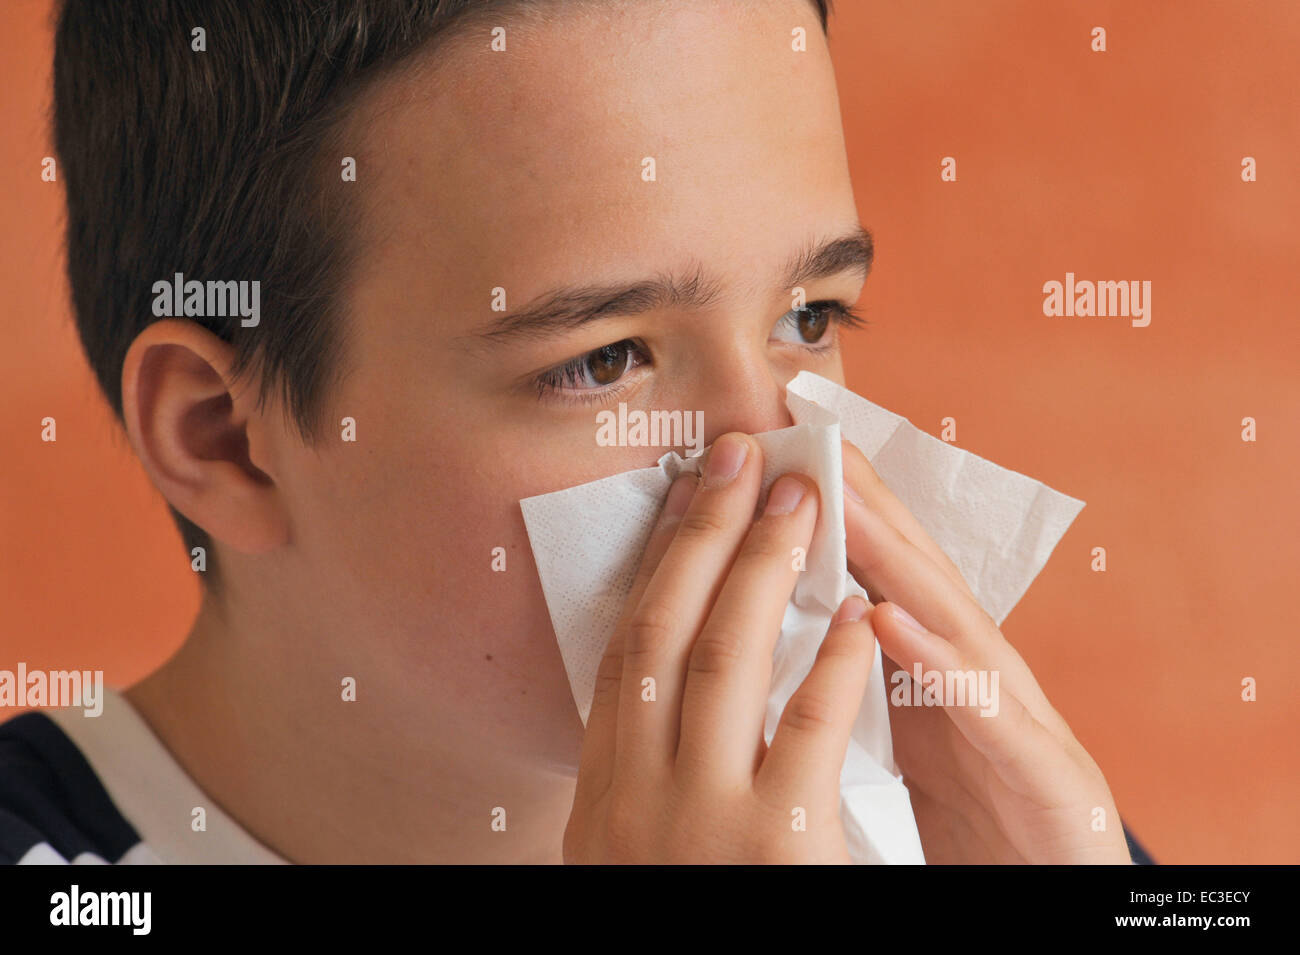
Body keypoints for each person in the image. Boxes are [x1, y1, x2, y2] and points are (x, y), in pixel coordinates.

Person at [2, 0, 1152, 864]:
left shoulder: (958, 830)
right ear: (222, 438)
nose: (783, 472)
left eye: (806, 318)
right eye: (604, 361)